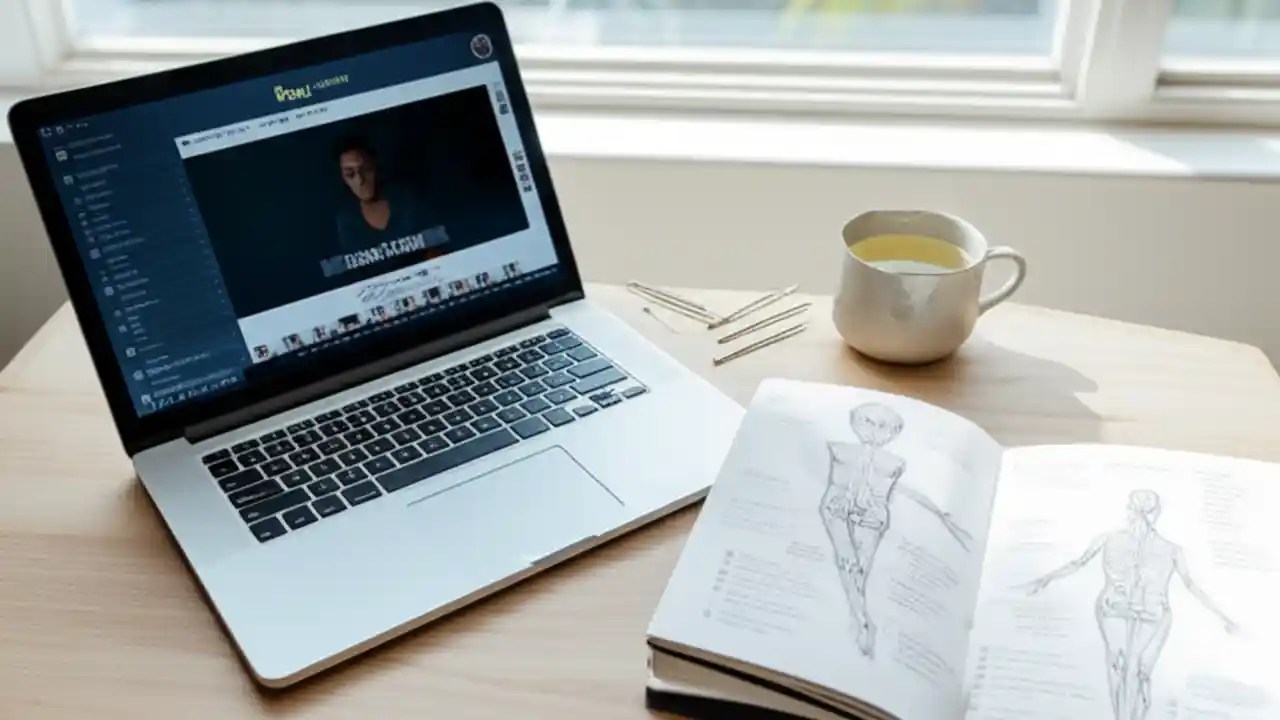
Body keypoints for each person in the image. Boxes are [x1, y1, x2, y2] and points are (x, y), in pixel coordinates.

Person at [1020, 490, 1238, 720]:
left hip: (1144, 613)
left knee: (1130, 669)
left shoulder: (1164, 548)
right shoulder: (1126, 541)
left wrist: (1225, 617)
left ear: (1129, 510)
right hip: (1123, 610)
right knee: (1127, 668)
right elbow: (1191, 585)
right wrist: (1043, 580)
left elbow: (1190, 585)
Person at [820, 403, 973, 658]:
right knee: (846, 559)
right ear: (853, 420)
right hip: (837, 505)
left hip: (874, 513)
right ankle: (863, 622)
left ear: (894, 432)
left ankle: (854, 624)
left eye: (883, 427)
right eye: (867, 421)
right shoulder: (837, 448)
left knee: (861, 568)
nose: (873, 431)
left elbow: (901, 489)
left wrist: (939, 513)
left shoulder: (896, 462)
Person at [332, 135, 444, 254]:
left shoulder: (406, 198)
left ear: (375, 166)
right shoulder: (346, 221)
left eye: (366, 169)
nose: (360, 181)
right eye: (350, 174)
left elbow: (436, 244)